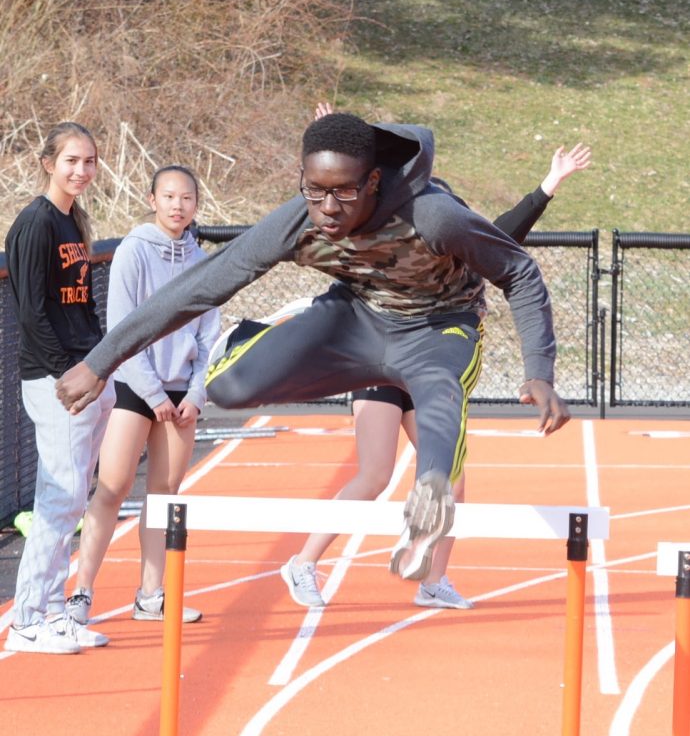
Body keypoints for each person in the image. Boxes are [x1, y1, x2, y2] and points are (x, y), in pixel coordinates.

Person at [56, 110, 571, 588]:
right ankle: (263, 337)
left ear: (372, 183)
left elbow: (519, 271)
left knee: (440, 401)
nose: (327, 210)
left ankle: (429, 500)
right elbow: (200, 286)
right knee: (229, 387)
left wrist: (539, 370)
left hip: (439, 326)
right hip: (356, 319)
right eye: (314, 190)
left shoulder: (433, 216)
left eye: (343, 194)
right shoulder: (298, 222)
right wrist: (101, 362)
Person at [281, 136, 592, 608]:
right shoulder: (388, 225)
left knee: (450, 477)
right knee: (375, 473)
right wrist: (327, 134)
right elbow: (337, 196)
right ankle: (302, 563)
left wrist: (549, 184)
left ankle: (433, 579)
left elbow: (505, 238)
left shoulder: (448, 218)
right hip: (383, 359)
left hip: (434, 362)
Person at [65, 165, 220, 627]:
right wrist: (152, 393)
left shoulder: (203, 261)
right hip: (136, 386)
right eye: (169, 196)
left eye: (186, 197)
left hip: (183, 394)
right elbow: (121, 328)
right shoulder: (133, 250)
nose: (178, 205)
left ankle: (152, 595)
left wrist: (197, 391)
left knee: (165, 495)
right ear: (152, 200)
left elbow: (211, 335)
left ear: (196, 204)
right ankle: (81, 594)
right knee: (111, 488)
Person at [3, 121, 115, 654]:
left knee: (74, 496)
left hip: (85, 372)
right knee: (60, 496)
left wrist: (98, 363)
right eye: (71, 160)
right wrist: (66, 375)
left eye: (89, 161)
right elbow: (30, 312)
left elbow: (80, 302)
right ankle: (26, 618)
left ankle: (51, 611)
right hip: (56, 381)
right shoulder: (35, 224)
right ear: (49, 163)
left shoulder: (75, 223)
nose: (81, 170)